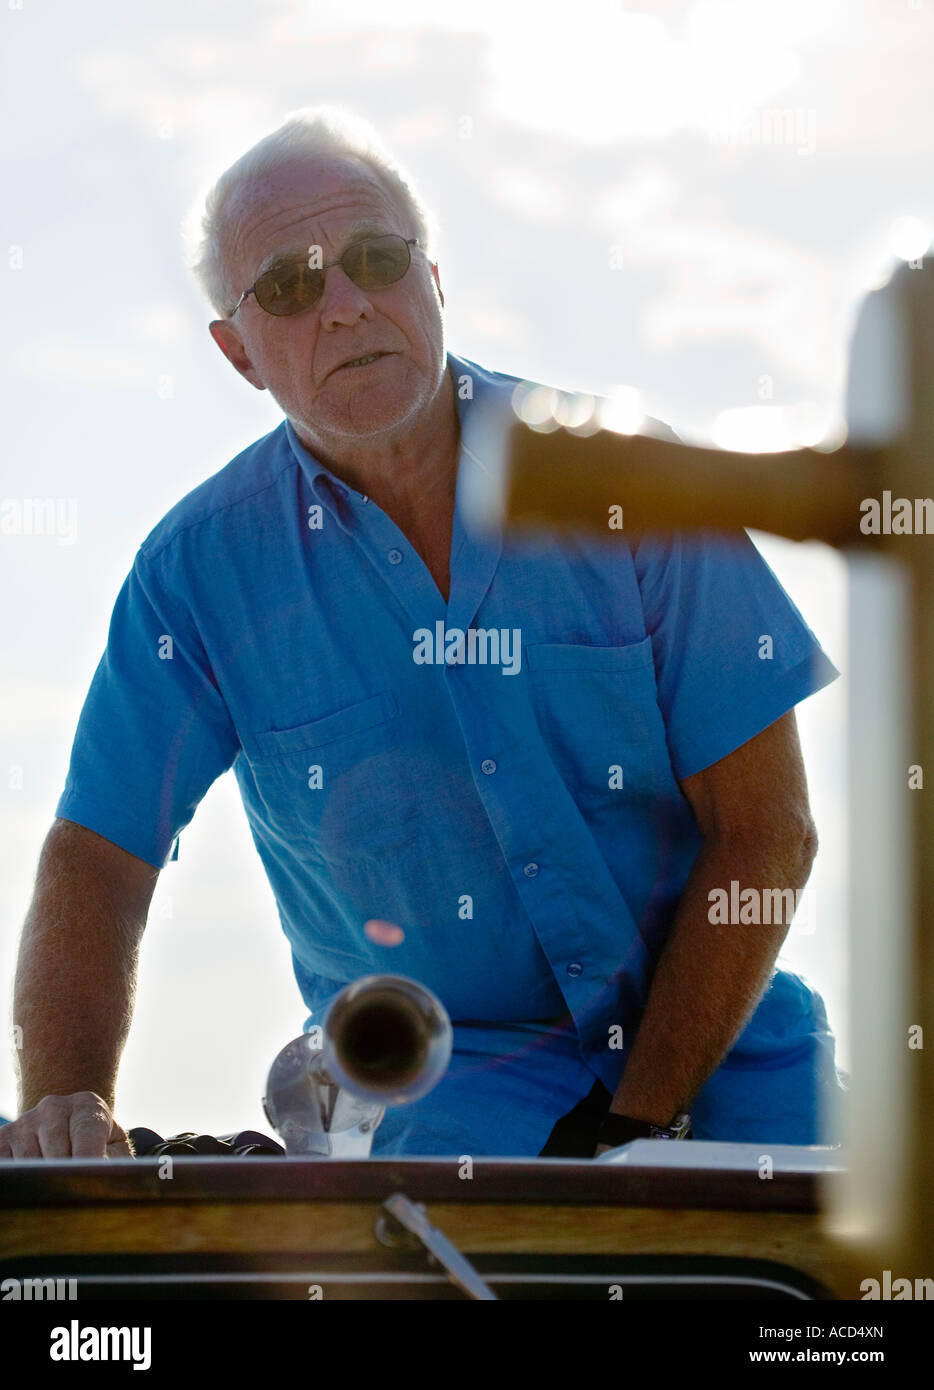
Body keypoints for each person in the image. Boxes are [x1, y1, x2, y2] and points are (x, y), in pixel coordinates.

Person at [0, 107, 844, 1162]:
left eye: (374, 259)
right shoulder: (194, 579)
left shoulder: (637, 484)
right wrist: (65, 1103)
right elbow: (99, 855)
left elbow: (768, 829)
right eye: (291, 287)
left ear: (433, 279)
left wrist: (637, 1123)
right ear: (237, 353)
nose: (347, 306)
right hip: (436, 1093)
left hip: (731, 1053)